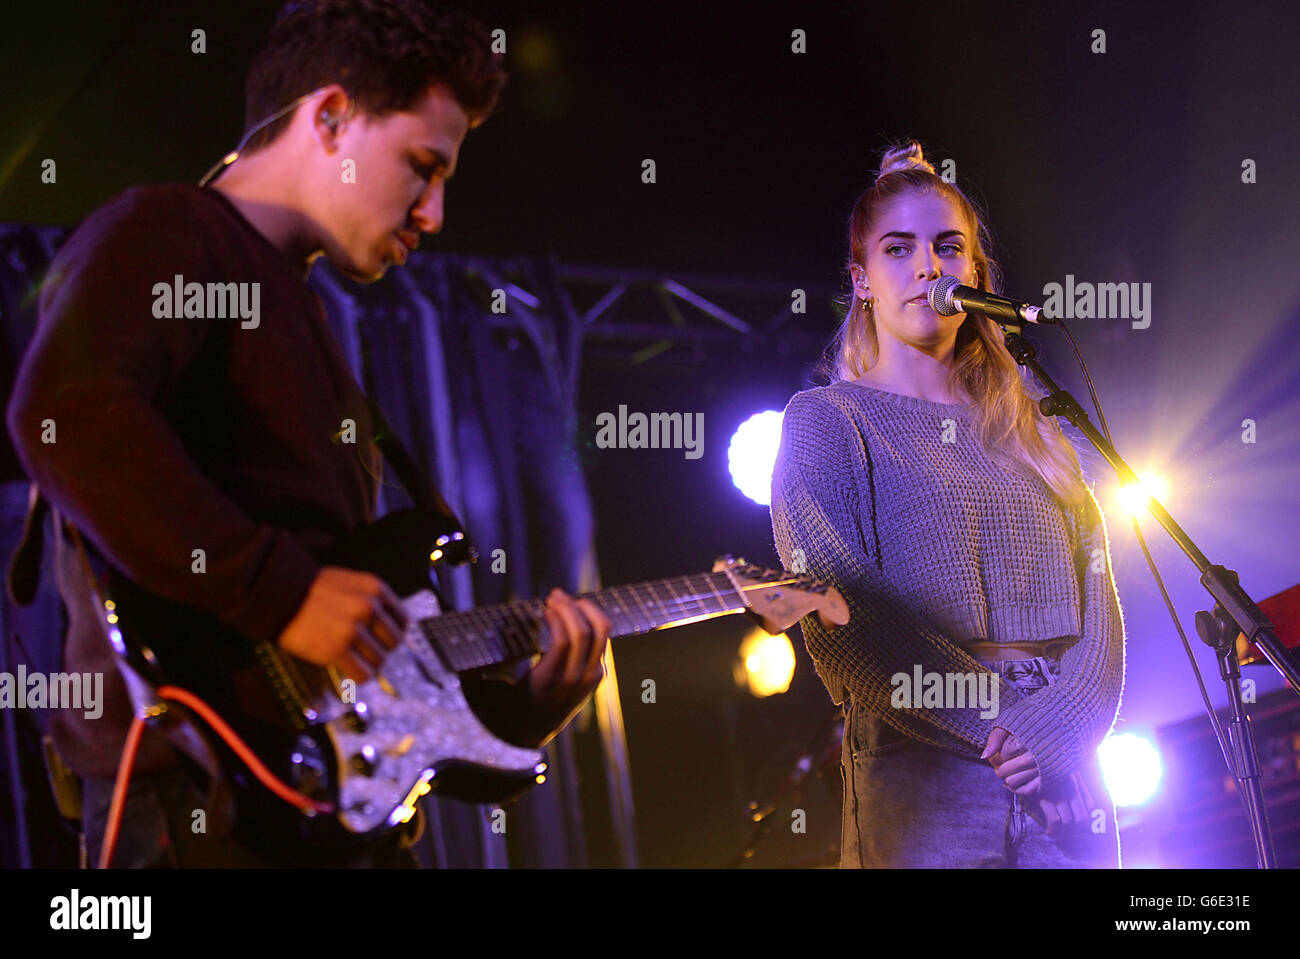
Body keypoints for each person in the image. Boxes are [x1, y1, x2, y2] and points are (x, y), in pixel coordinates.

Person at [5, 0, 610, 867]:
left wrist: (526, 709)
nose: (435, 214)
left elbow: (350, 676)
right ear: (329, 118)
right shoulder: (168, 232)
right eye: (421, 166)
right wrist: (279, 589)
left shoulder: (303, 312)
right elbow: (64, 414)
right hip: (193, 804)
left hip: (313, 815)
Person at [770, 141, 1126, 868]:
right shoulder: (827, 421)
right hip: (923, 759)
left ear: (974, 271)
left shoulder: (1039, 423)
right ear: (861, 280)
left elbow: (1101, 599)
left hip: (1064, 757)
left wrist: (1056, 737)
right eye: (898, 249)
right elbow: (841, 620)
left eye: (948, 247)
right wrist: (1006, 732)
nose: (928, 267)